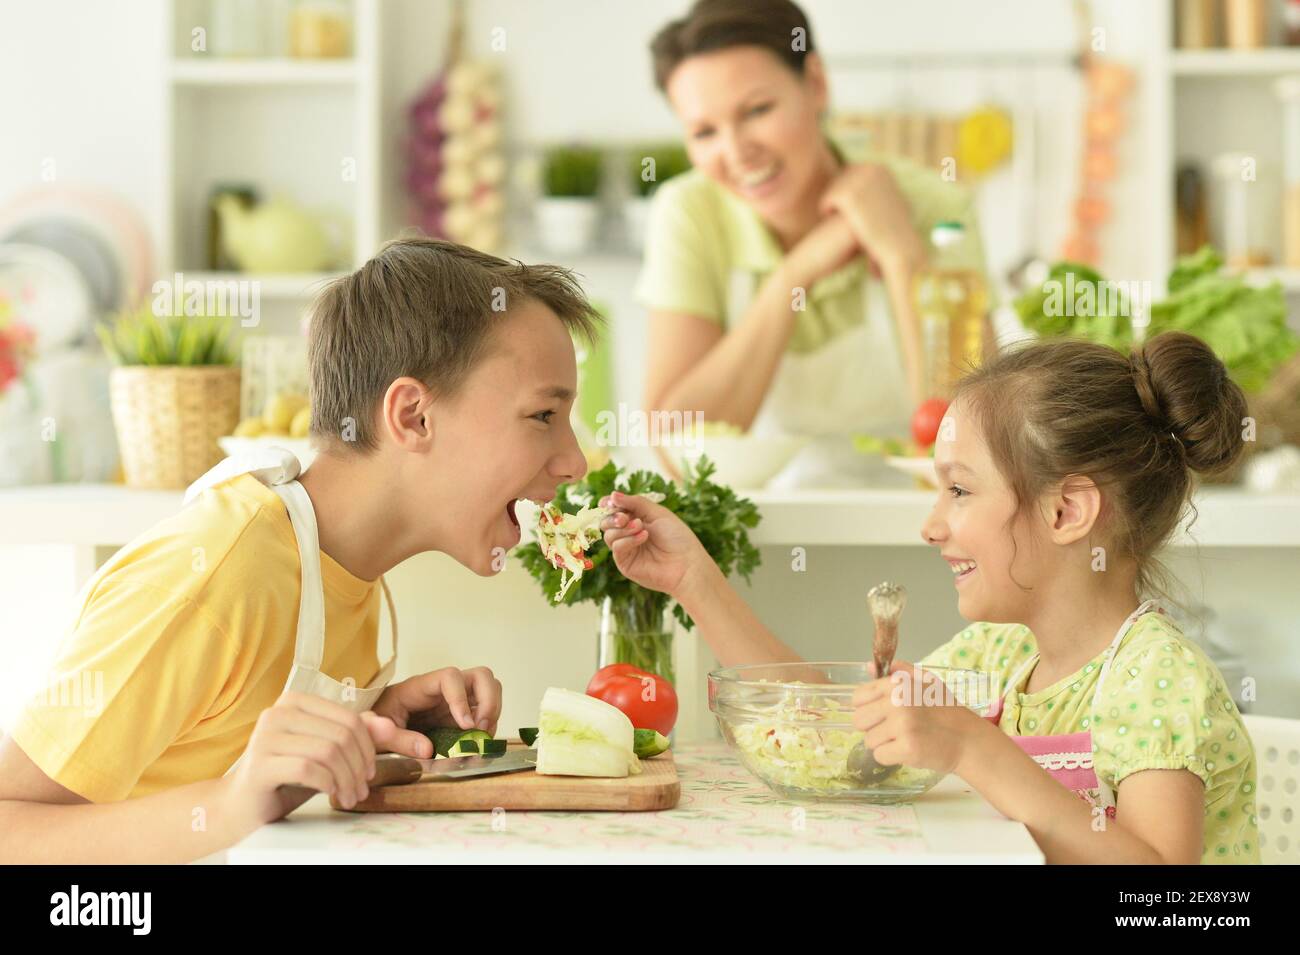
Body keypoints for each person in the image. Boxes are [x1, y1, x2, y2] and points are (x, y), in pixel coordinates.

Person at [0, 238, 600, 863]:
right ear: (415, 416)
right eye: (543, 416)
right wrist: (235, 803)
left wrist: (377, 727)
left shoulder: (345, 572)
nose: (574, 461)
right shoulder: (214, 578)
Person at [599, 330, 1258, 864]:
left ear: (1066, 513)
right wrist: (694, 580)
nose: (931, 524)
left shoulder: (1157, 678)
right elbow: (824, 727)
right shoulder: (998, 656)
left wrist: (974, 748)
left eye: (960, 490)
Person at [637, 0, 988, 487]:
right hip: (767, 532)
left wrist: (902, 255)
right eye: (704, 131)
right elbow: (677, 443)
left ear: (816, 84)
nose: (737, 152)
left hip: (926, 522)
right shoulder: (690, 213)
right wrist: (795, 274)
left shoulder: (933, 205)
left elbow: (972, 437)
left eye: (757, 110)